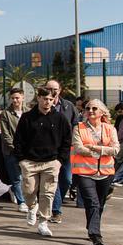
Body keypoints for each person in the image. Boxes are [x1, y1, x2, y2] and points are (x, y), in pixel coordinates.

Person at [13, 87, 71, 238]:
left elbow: (67, 141)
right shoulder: (27, 117)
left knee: (48, 193)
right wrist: (21, 160)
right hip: (30, 162)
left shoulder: (60, 118)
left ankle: (43, 222)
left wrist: (60, 161)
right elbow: (18, 140)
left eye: (51, 99)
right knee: (28, 190)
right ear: (38, 98)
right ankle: (32, 207)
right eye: (45, 99)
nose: (47, 102)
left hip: (51, 162)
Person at [71, 99, 118, 245]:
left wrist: (96, 149)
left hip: (105, 172)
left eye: (94, 108)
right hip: (84, 172)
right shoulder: (79, 128)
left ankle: (92, 226)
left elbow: (116, 149)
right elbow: (79, 148)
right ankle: (95, 235)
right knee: (92, 202)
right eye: (88, 108)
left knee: (100, 204)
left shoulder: (110, 129)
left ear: (102, 112)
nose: (90, 111)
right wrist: (103, 150)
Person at [44, 79, 80, 222]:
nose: (52, 92)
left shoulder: (68, 106)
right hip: (49, 150)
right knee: (54, 179)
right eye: (49, 88)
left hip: (66, 149)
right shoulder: (42, 105)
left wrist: (74, 141)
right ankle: (56, 210)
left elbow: (76, 124)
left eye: (55, 89)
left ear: (60, 90)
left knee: (66, 179)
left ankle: (56, 201)